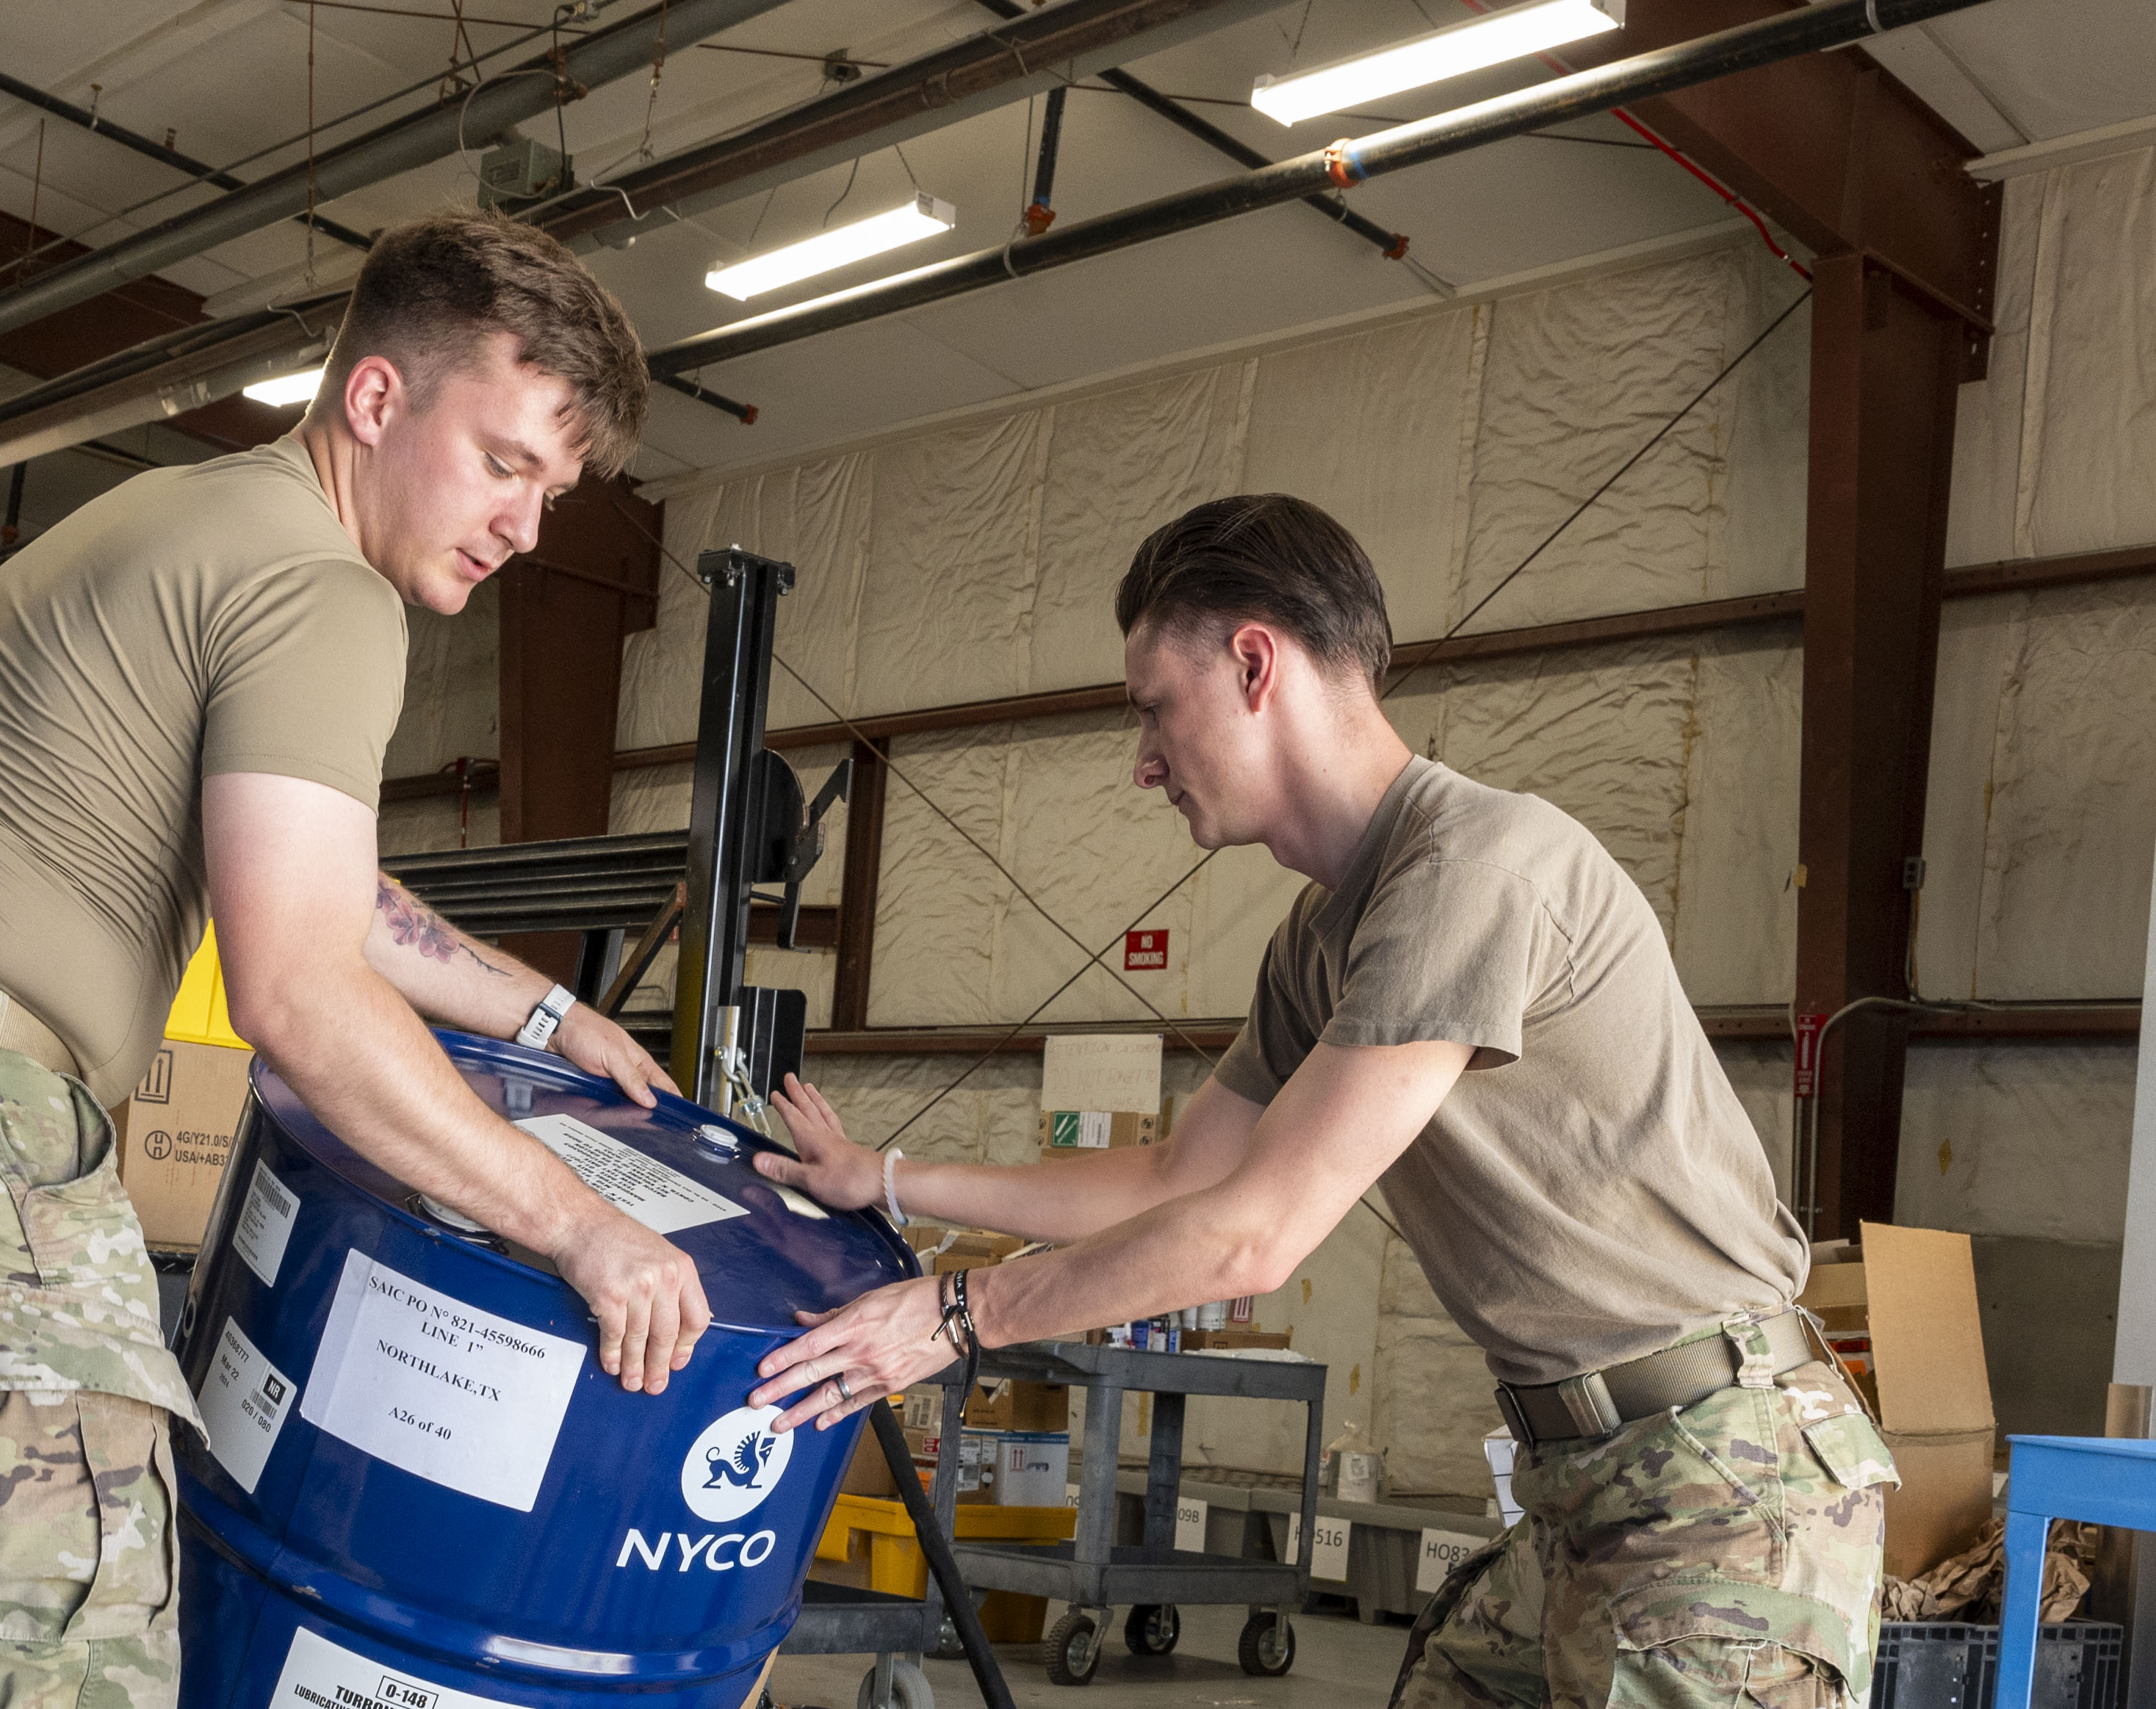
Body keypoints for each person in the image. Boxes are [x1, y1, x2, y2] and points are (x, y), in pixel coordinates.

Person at [0, 209, 711, 1709]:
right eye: (507, 463)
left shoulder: (195, 518)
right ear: (380, 398)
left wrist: (544, 1005)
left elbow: (336, 888)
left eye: (557, 490)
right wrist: (580, 1223)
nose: (528, 526)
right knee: (79, 1669)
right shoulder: (328, 591)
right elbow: (299, 990)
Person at [746, 494, 1898, 1708]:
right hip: (1586, 1479)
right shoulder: (1320, 937)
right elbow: (1177, 1176)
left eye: (1151, 707)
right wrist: (882, 1181)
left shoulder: (1474, 869)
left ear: (1254, 662)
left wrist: (961, 1313)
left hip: (1717, 1479)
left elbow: (1254, 1234)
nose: (1141, 761)